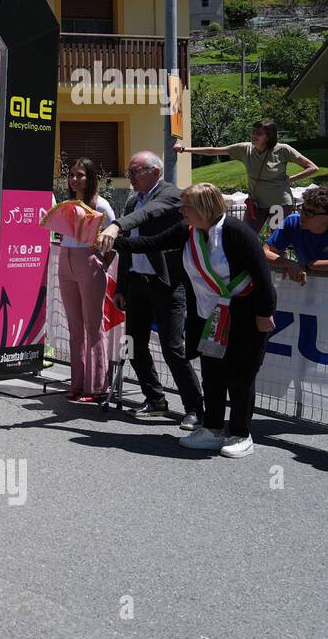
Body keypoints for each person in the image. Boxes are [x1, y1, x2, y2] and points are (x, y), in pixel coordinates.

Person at [112, 184, 276, 458]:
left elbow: (262, 276)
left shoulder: (236, 232)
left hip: (245, 316)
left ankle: (240, 433)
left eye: (186, 206)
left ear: (203, 208)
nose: (181, 210)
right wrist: (110, 239)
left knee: (240, 376)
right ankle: (211, 428)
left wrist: (264, 314)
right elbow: (151, 243)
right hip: (208, 316)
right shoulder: (188, 231)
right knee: (213, 374)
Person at [99, 152, 204, 427]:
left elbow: (148, 215)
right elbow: (128, 245)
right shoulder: (134, 200)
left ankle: (195, 408)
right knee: (132, 346)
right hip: (136, 284)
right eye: (129, 171)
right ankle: (155, 399)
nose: (130, 176)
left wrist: (115, 225)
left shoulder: (171, 195)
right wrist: (121, 285)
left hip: (166, 285)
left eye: (135, 171)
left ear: (155, 171)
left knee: (172, 349)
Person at [174, 120, 319, 232]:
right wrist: (184, 149)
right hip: (255, 205)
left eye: (259, 134)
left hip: (278, 204)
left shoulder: (283, 150)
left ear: (268, 137)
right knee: (246, 235)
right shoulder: (245, 149)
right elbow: (214, 151)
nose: (254, 136)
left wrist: (291, 179)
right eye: (253, 132)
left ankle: (280, 270)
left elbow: (312, 168)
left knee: (277, 239)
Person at [56, 158, 116, 405]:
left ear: (91, 178)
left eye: (80, 175)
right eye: (71, 175)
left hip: (89, 262)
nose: (74, 179)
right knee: (74, 326)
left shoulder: (102, 205)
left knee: (93, 326)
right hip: (65, 259)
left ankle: (97, 385)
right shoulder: (68, 204)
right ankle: (77, 382)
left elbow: (114, 240)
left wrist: (101, 263)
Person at [263, 185, 328, 283]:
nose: (302, 216)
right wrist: (290, 264)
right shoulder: (292, 222)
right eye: (302, 209)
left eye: (310, 213)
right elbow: (264, 252)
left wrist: (310, 265)